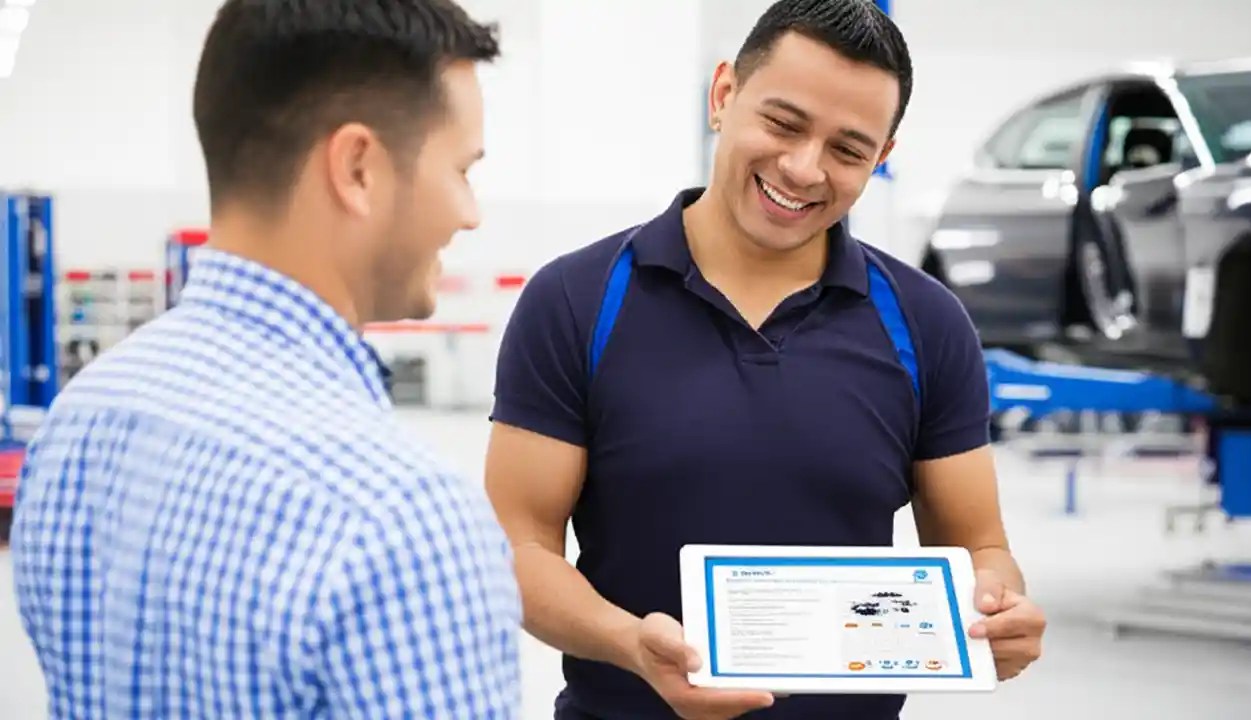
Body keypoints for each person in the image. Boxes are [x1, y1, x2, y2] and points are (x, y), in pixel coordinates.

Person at [484, 0, 1046, 718]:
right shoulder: (578, 301)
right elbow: (518, 547)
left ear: (882, 158)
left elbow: (977, 547)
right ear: (723, 95)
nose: (804, 169)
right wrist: (631, 644)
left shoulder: (925, 323)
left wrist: (997, 609)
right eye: (783, 124)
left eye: (848, 150)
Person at [11, 1, 522, 717]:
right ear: (358, 168)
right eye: (463, 169)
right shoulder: (404, 520)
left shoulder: (85, 416)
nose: (470, 213)